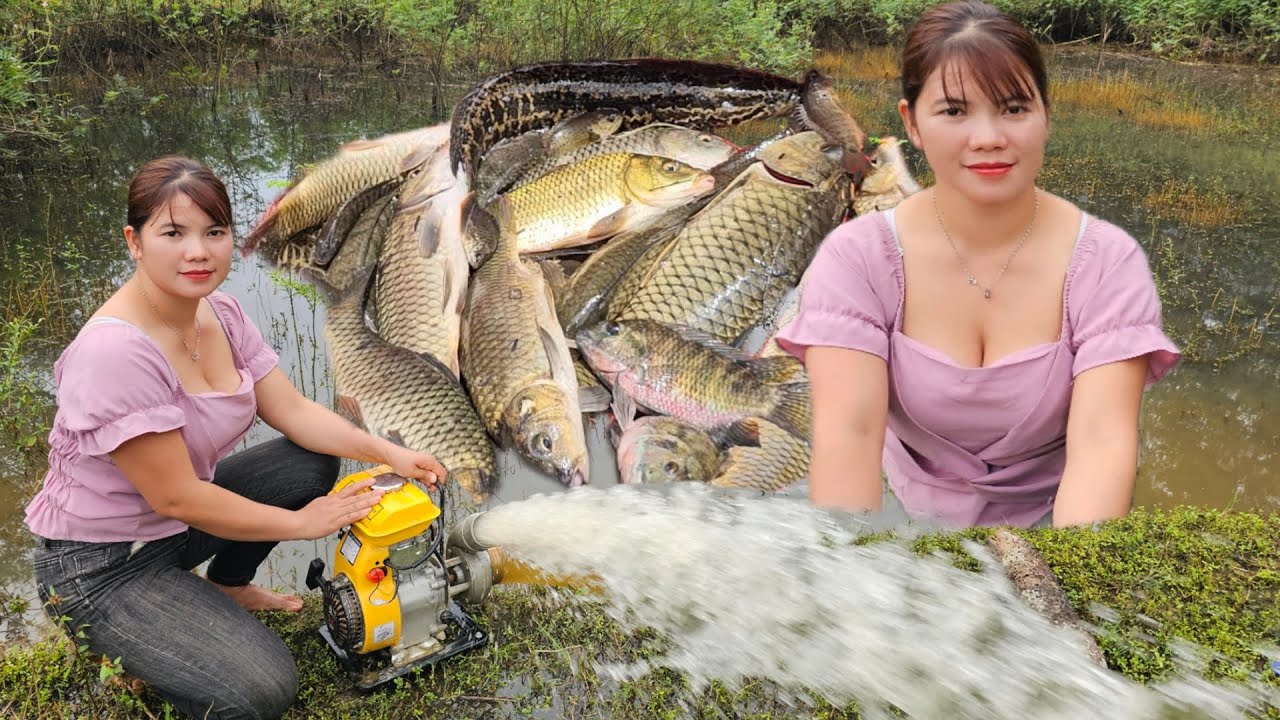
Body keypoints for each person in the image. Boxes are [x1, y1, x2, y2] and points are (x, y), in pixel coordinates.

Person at [24, 156, 449, 719]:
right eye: (173, 233)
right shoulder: (113, 353)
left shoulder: (219, 313)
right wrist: (303, 524)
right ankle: (139, 634)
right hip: (102, 564)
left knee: (309, 462)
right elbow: (178, 497)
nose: (198, 251)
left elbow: (293, 411)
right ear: (135, 241)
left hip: (172, 528)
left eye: (215, 232)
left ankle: (226, 584)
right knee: (263, 689)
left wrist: (388, 451)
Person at [776, 1, 1180, 529]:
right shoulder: (857, 259)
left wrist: (1060, 590)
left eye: (1014, 108)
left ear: (1046, 117)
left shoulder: (1106, 262)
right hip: (900, 515)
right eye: (954, 111)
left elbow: (1103, 444)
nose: (988, 136)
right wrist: (856, 578)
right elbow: (848, 435)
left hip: (1058, 519)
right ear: (912, 124)